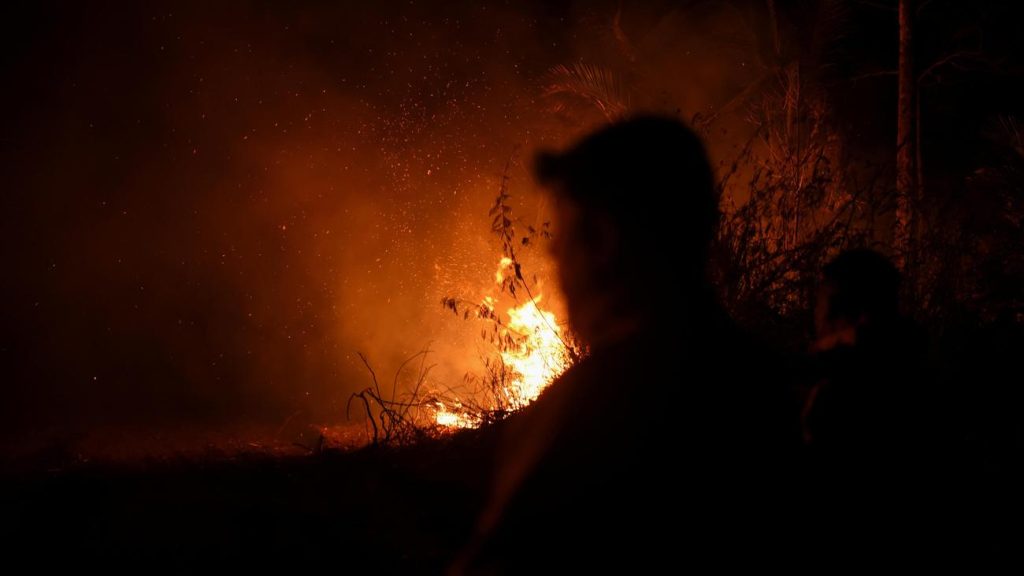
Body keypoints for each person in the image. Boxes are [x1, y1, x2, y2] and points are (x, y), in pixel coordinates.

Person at [452, 116, 801, 574]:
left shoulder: (586, 409)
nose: (553, 254)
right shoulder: (765, 382)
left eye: (563, 233)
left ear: (602, 240)